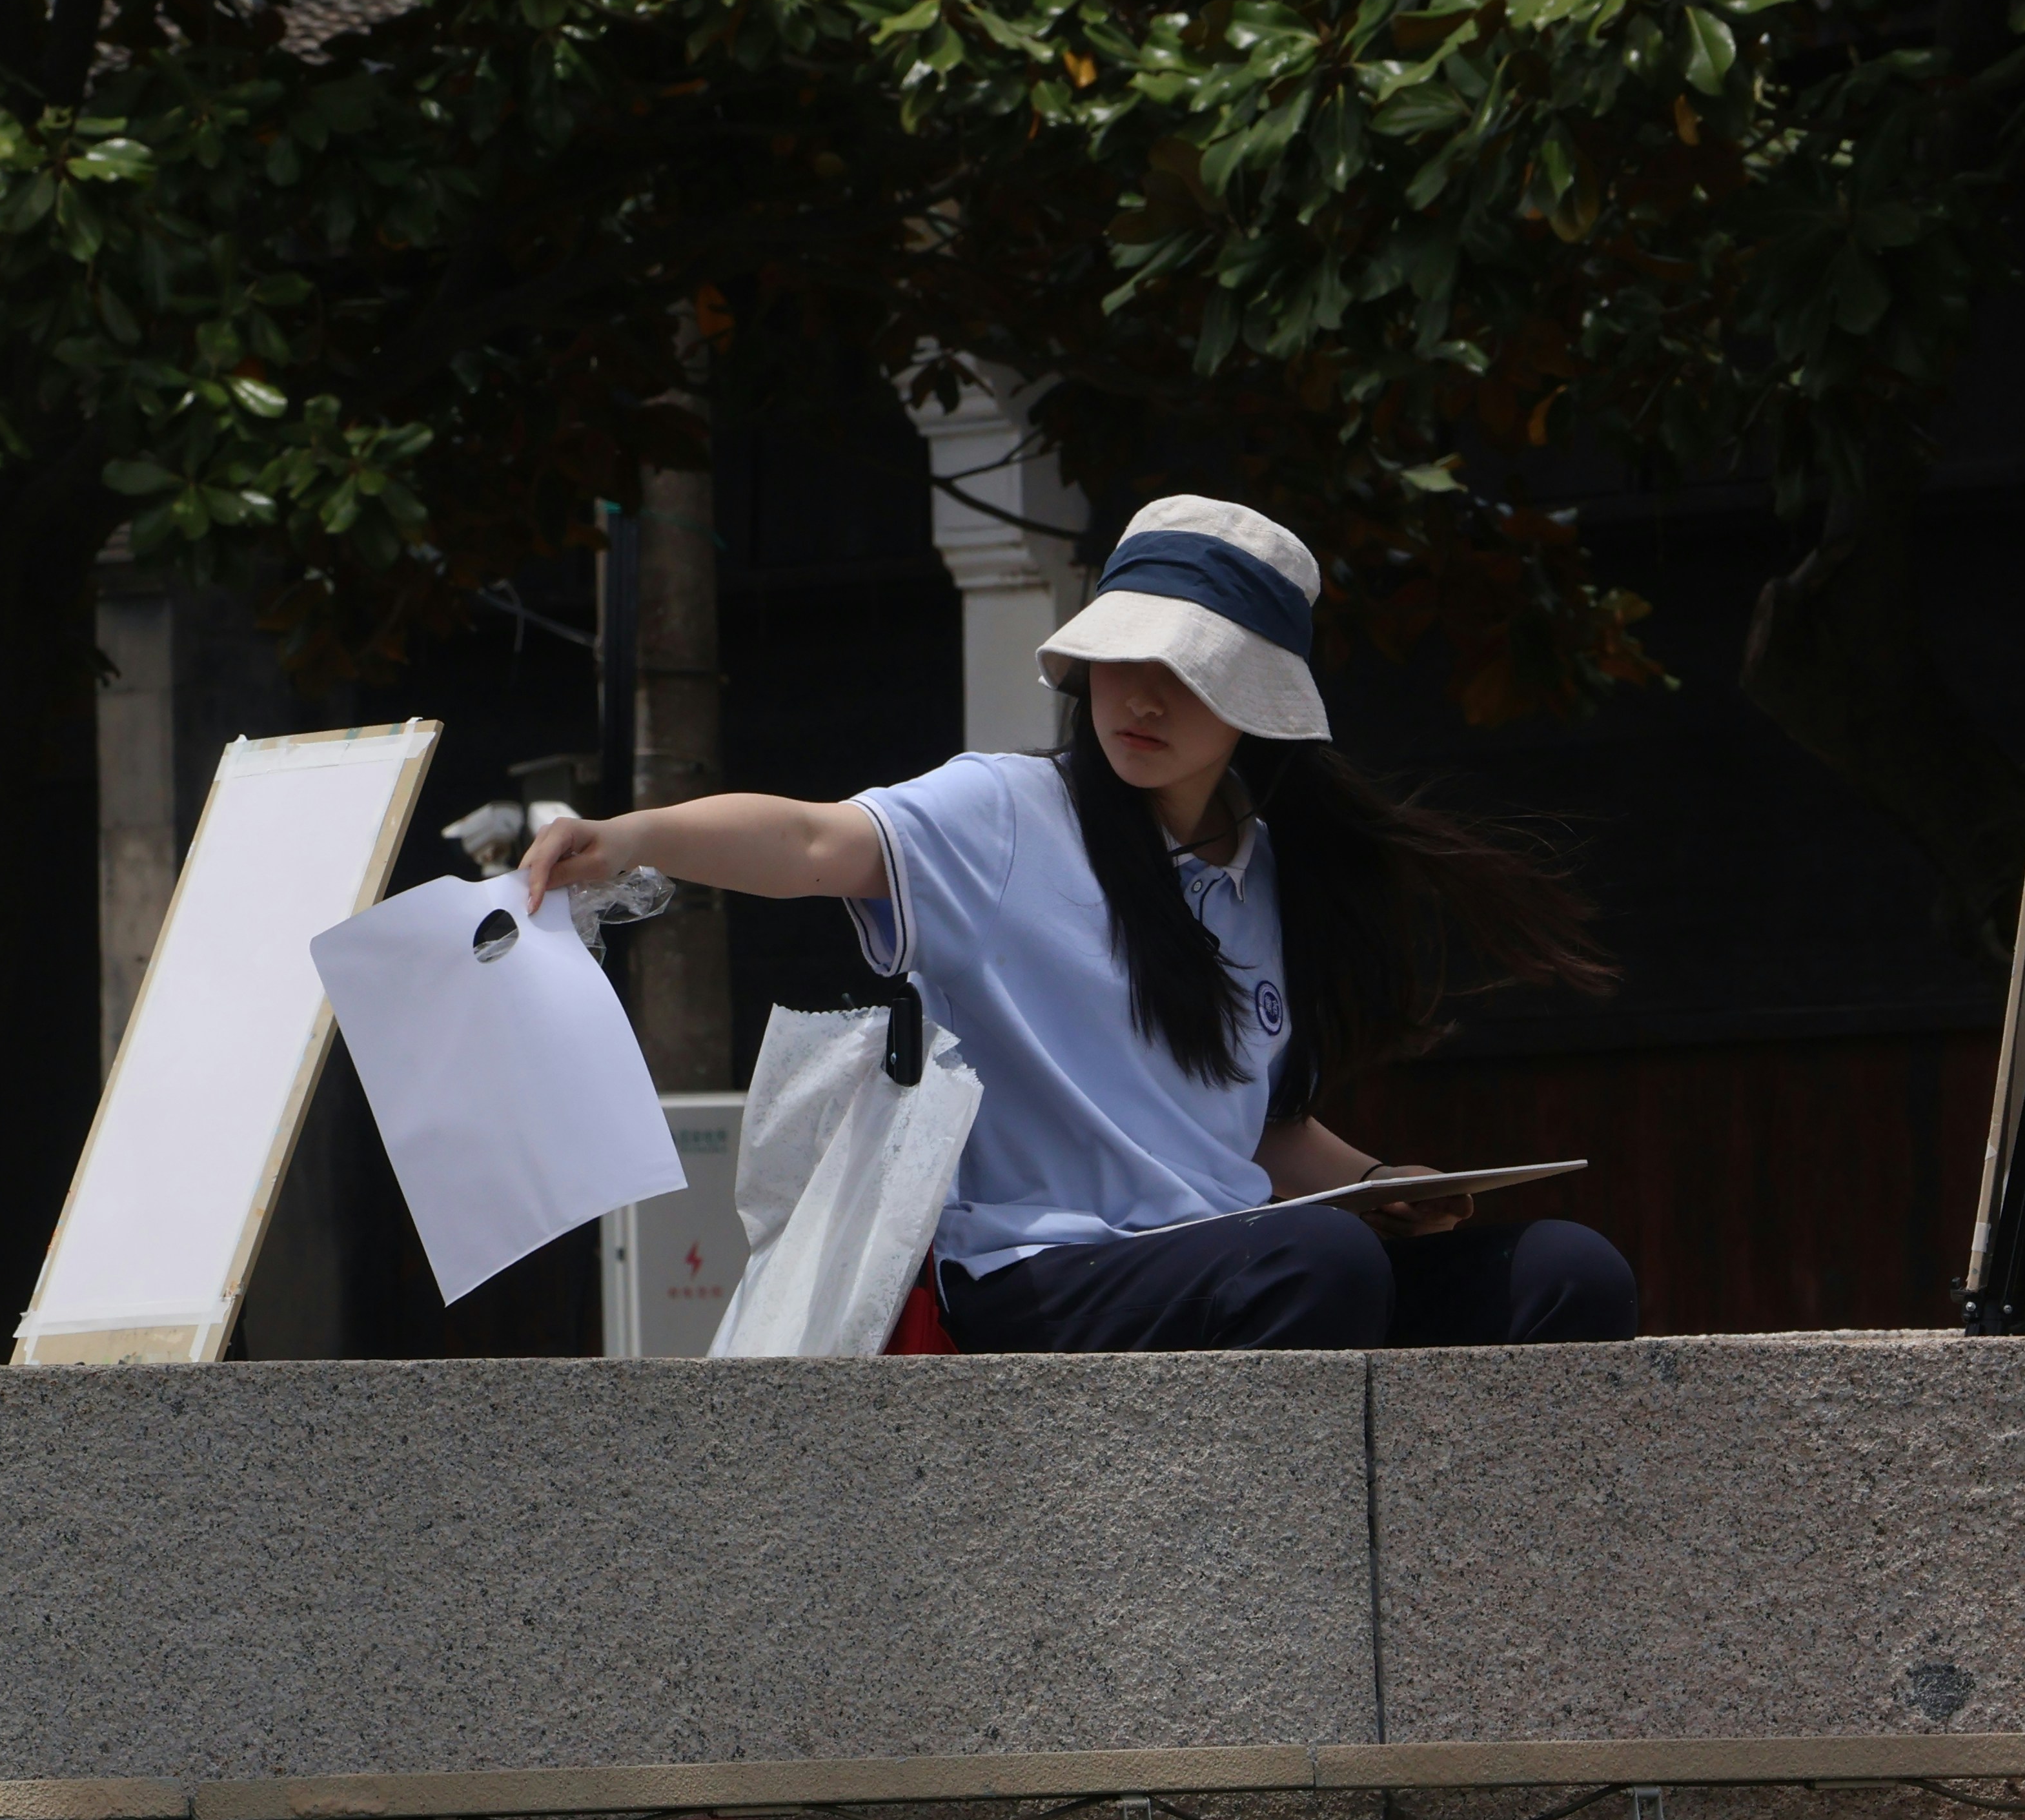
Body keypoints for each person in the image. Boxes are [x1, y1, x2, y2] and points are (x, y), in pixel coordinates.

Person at [515, 495, 1637, 1354]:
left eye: (1185, 674)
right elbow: (813, 844)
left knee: (1568, 1273)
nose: (1140, 697)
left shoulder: (1271, 875)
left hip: (1240, 1258)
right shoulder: (1007, 813)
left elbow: (1248, 1132)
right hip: (1032, 1273)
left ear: (1261, 706)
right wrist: (633, 837)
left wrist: (1385, 1177)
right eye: (1120, 662)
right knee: (1323, 1267)